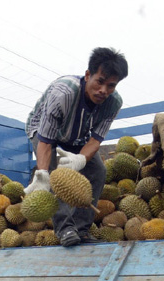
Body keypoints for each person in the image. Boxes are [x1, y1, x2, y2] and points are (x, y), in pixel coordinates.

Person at [24, 47, 128, 247]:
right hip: (44, 131)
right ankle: (64, 229)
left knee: (98, 170)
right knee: (54, 173)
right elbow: (46, 141)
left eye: (111, 85)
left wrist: (80, 160)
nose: (104, 90)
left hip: (77, 136)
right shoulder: (63, 93)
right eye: (100, 81)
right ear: (88, 75)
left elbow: (95, 141)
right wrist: (44, 173)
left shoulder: (113, 103)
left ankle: (81, 229)